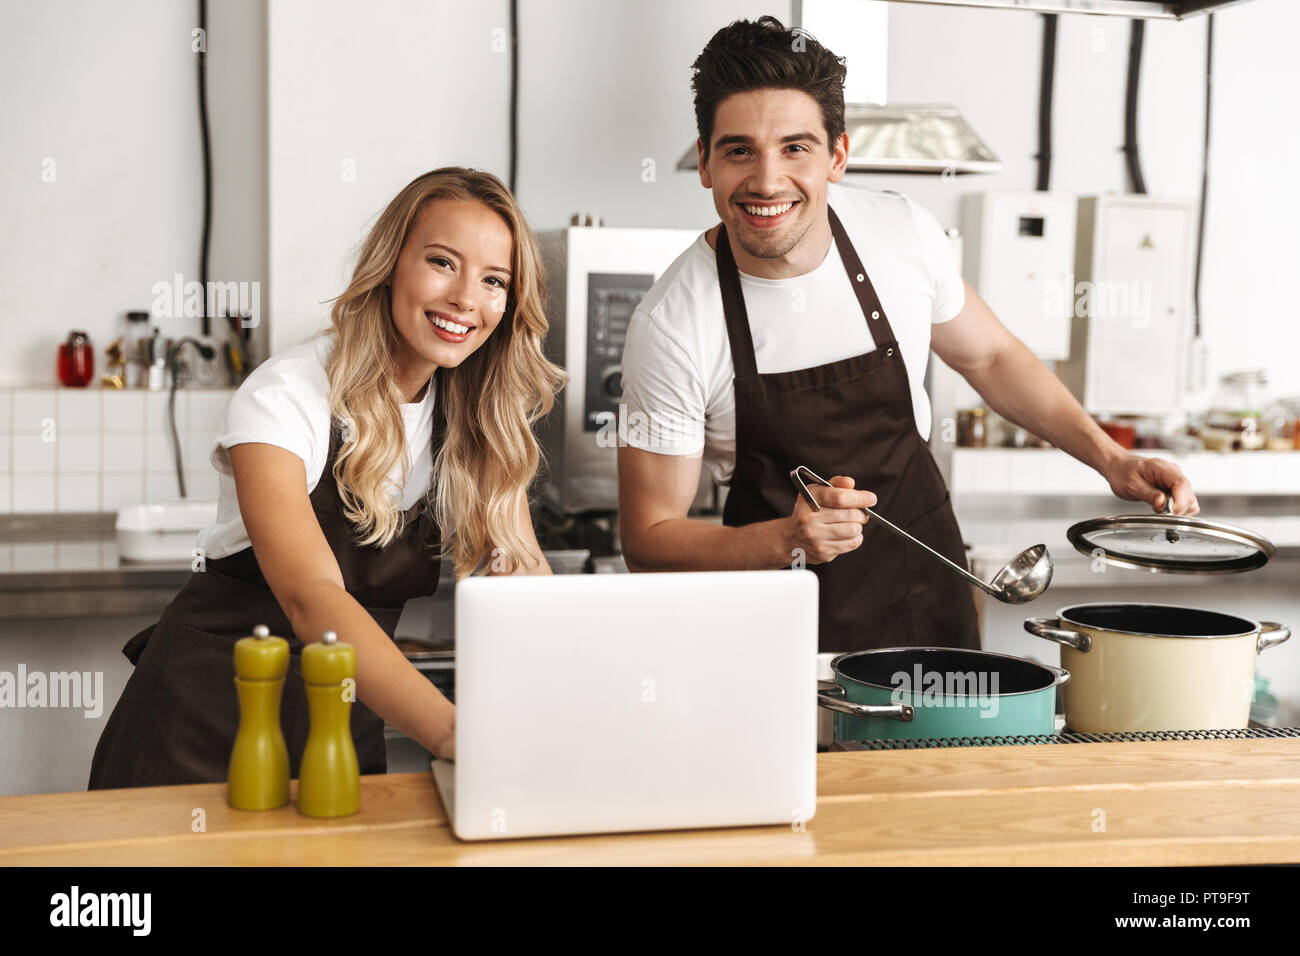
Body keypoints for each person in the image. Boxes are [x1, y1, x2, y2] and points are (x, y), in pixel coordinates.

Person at [617, 17, 1198, 656]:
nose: (766, 180)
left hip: (930, 600)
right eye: (738, 150)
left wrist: (1108, 459)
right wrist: (788, 537)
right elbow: (648, 539)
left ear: (837, 156)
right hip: (780, 635)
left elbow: (993, 356)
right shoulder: (673, 324)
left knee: (951, 758)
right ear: (703, 162)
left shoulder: (899, 233)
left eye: (795, 148)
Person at [89, 167, 564, 788]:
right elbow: (310, 597)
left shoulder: (474, 422)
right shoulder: (288, 395)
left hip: (338, 745)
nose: (466, 299)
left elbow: (524, 578)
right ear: (391, 264)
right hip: (200, 737)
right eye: (443, 263)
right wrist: (453, 733)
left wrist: (575, 702)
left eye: (494, 280)